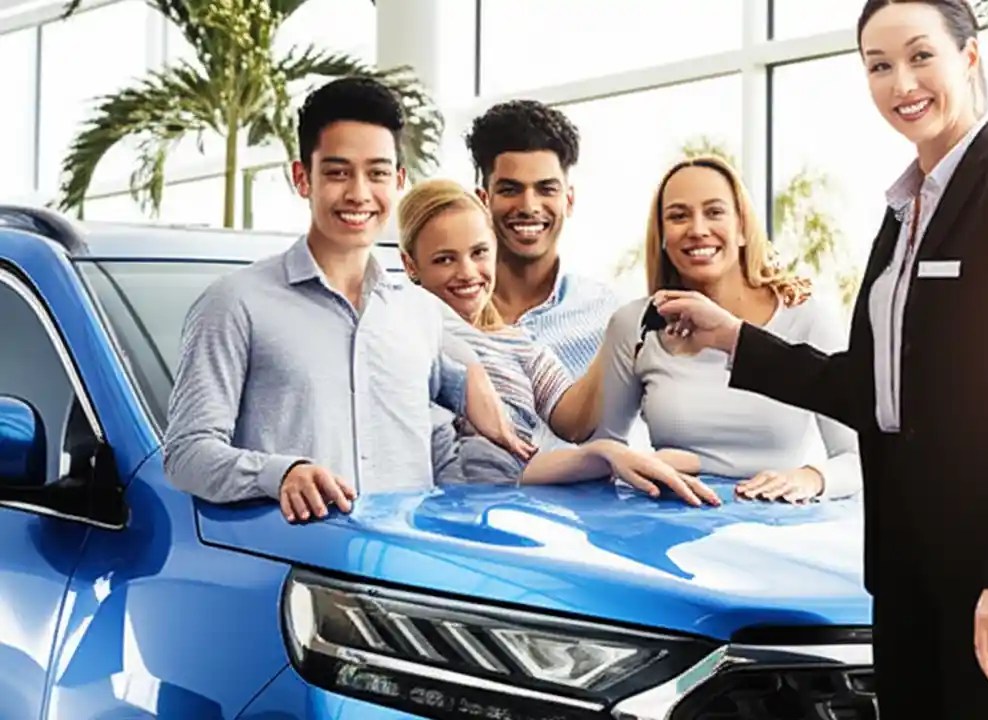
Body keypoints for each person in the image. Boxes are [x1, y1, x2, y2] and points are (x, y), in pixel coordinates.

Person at [654, 1, 988, 716]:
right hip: (904, 571)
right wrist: (733, 335)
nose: (901, 82)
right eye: (879, 65)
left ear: (970, 58)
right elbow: (868, 387)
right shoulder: (901, 216)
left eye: (921, 57)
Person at [164, 77, 532, 524]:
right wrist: (280, 474)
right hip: (299, 581)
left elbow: (440, 455)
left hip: (409, 575)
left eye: (377, 173)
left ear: (397, 180)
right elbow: (186, 454)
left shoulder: (419, 314)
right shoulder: (235, 304)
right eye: (338, 172)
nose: (359, 193)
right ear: (303, 178)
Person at [398, 178, 712, 504]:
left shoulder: (518, 343)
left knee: (683, 461)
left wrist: (626, 329)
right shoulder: (409, 343)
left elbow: (573, 421)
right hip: (459, 513)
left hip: (520, 508)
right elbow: (477, 472)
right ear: (410, 265)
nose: (467, 272)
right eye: (444, 259)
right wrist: (602, 456)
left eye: (479, 253)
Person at [592, 154, 862, 505]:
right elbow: (604, 452)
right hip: (667, 525)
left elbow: (858, 457)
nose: (698, 228)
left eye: (715, 212)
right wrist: (640, 465)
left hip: (775, 525)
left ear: (742, 228)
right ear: (662, 236)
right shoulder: (635, 325)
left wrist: (810, 478)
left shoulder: (806, 319)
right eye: (678, 216)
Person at [464, 99, 620, 380]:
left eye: (546, 189)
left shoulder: (609, 317)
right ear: (482, 200)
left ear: (568, 200)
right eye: (510, 190)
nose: (528, 207)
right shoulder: (445, 310)